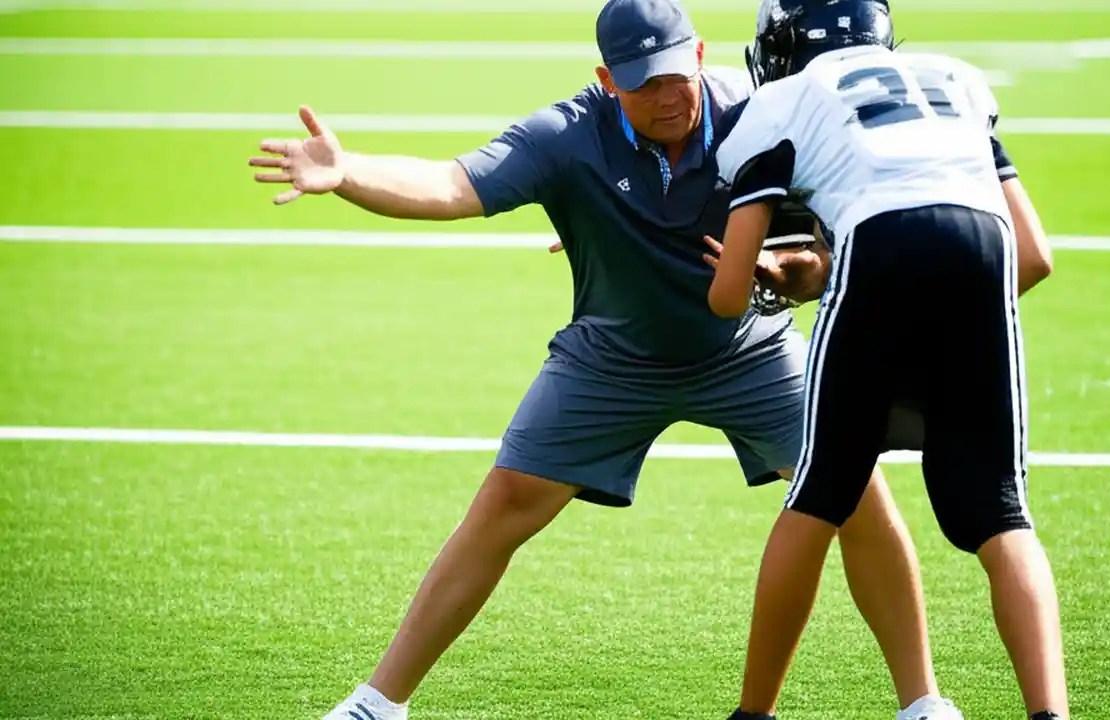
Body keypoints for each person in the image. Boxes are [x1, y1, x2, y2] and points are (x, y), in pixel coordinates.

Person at [247, 1, 956, 718]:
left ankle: (922, 703)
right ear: (606, 78)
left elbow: (834, 239)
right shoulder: (566, 134)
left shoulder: (761, 113)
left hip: (749, 353)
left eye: (677, 76)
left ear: (702, 53)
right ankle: (377, 704)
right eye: (643, 83)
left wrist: (796, 270)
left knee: (859, 496)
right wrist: (348, 171)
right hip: (613, 359)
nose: (667, 97)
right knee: (503, 506)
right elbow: (453, 186)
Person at [705, 1, 1065, 719]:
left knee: (817, 499)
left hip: (875, 252)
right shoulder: (954, 78)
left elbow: (724, 296)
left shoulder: (780, 99)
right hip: (983, 251)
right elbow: (1034, 258)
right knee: (1002, 513)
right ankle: (1050, 714)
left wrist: (814, 284)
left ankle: (753, 714)